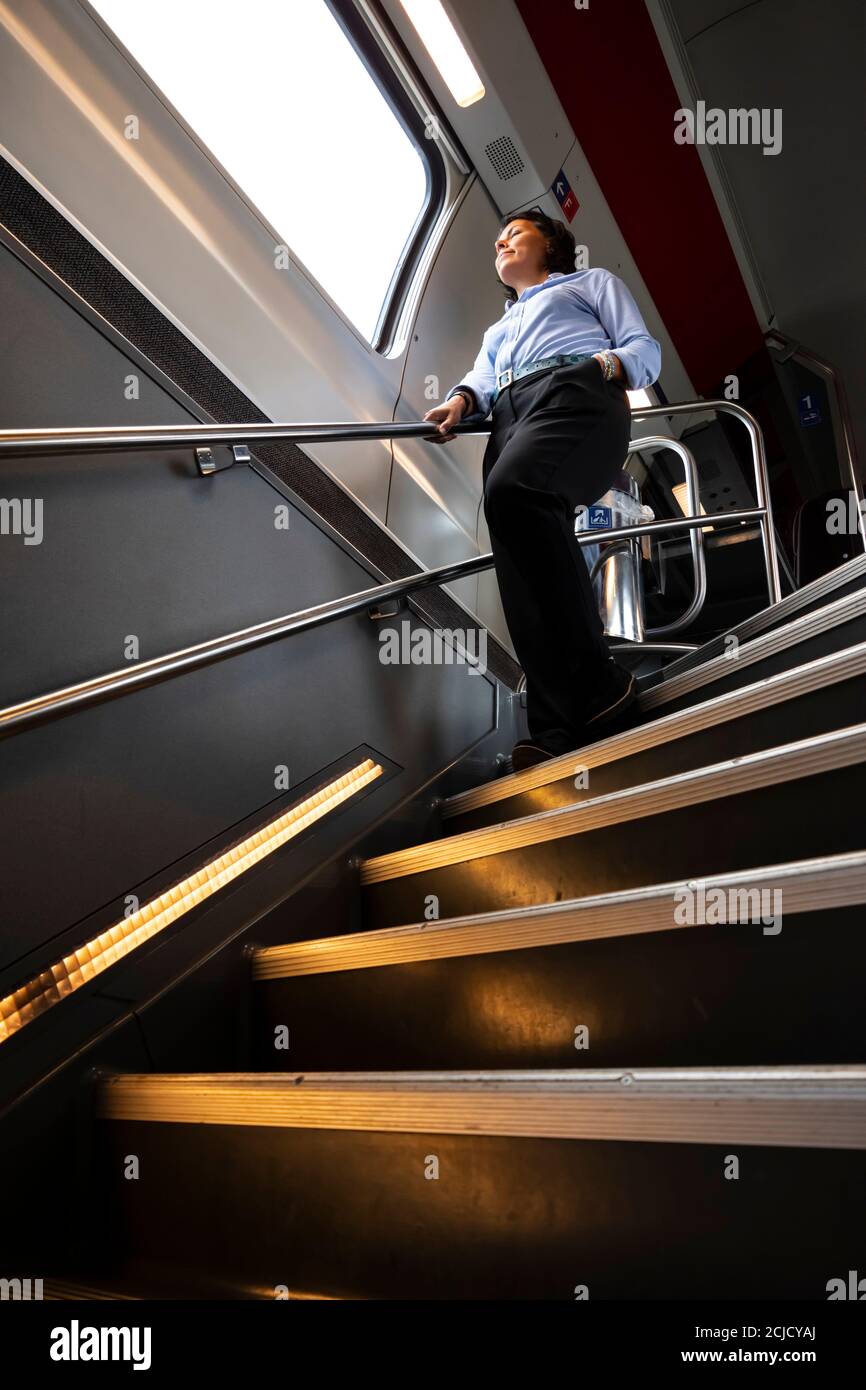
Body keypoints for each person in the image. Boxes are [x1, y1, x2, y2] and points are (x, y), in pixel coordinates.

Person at [424, 207, 661, 771]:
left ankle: (601, 684)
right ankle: (556, 728)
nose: (501, 242)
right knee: (516, 563)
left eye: (515, 234)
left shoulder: (590, 283)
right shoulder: (497, 328)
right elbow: (482, 378)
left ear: (550, 244)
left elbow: (643, 351)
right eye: (497, 240)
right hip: (508, 414)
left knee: (515, 493)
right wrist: (460, 401)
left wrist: (604, 367)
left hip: (574, 390)